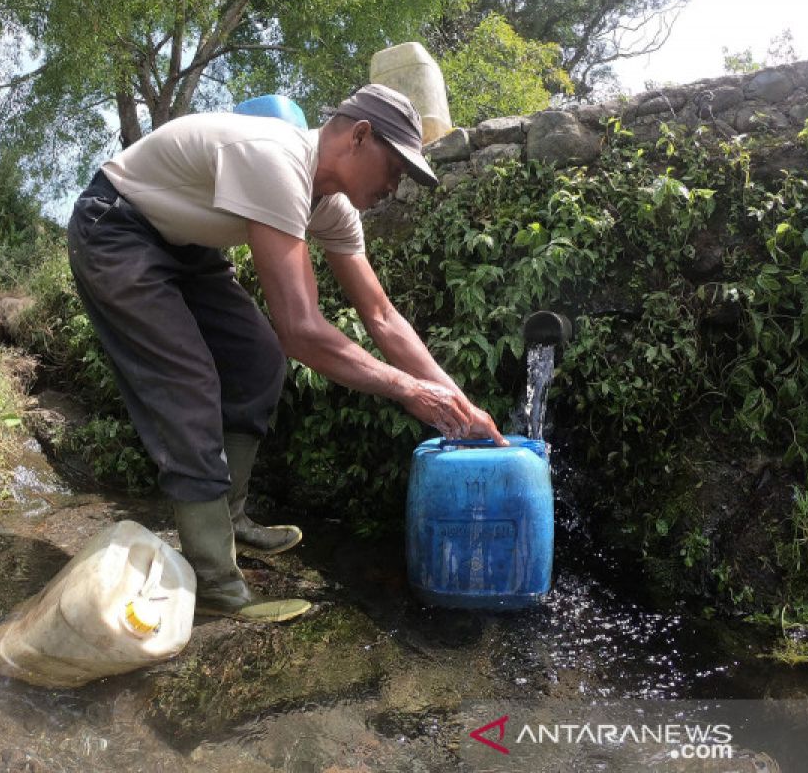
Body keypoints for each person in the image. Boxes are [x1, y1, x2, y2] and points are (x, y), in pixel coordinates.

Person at [66, 83, 506, 624]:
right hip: (116, 225)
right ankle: (217, 587)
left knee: (258, 359)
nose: (396, 186)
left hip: (184, 242)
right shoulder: (275, 159)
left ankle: (230, 520)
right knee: (189, 385)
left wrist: (459, 404)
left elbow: (383, 317)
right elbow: (300, 329)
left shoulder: (335, 210)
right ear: (359, 137)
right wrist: (408, 390)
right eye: (395, 168)